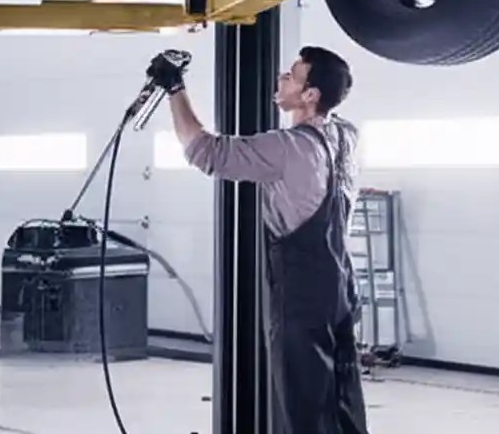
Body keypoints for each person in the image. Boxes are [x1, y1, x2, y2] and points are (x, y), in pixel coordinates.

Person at [146, 45, 369, 434]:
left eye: (292, 76)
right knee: (342, 401)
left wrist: (174, 87)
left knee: (302, 406)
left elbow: (206, 151)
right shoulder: (345, 136)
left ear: (310, 95)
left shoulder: (290, 147)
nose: (281, 77)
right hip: (342, 287)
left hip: (301, 294)